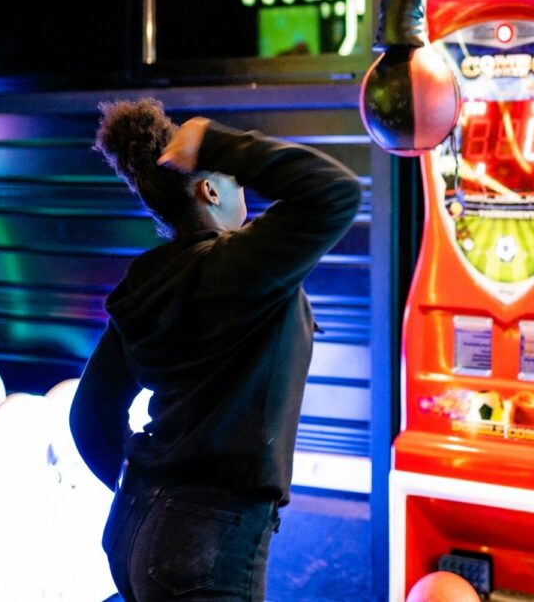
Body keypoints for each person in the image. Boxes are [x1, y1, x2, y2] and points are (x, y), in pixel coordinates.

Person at [70, 99, 361, 602]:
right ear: (209, 189)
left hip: (136, 522)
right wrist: (216, 143)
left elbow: (89, 414)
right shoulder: (238, 266)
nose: (243, 188)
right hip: (205, 542)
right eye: (235, 179)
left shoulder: (145, 283)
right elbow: (333, 192)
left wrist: (140, 484)